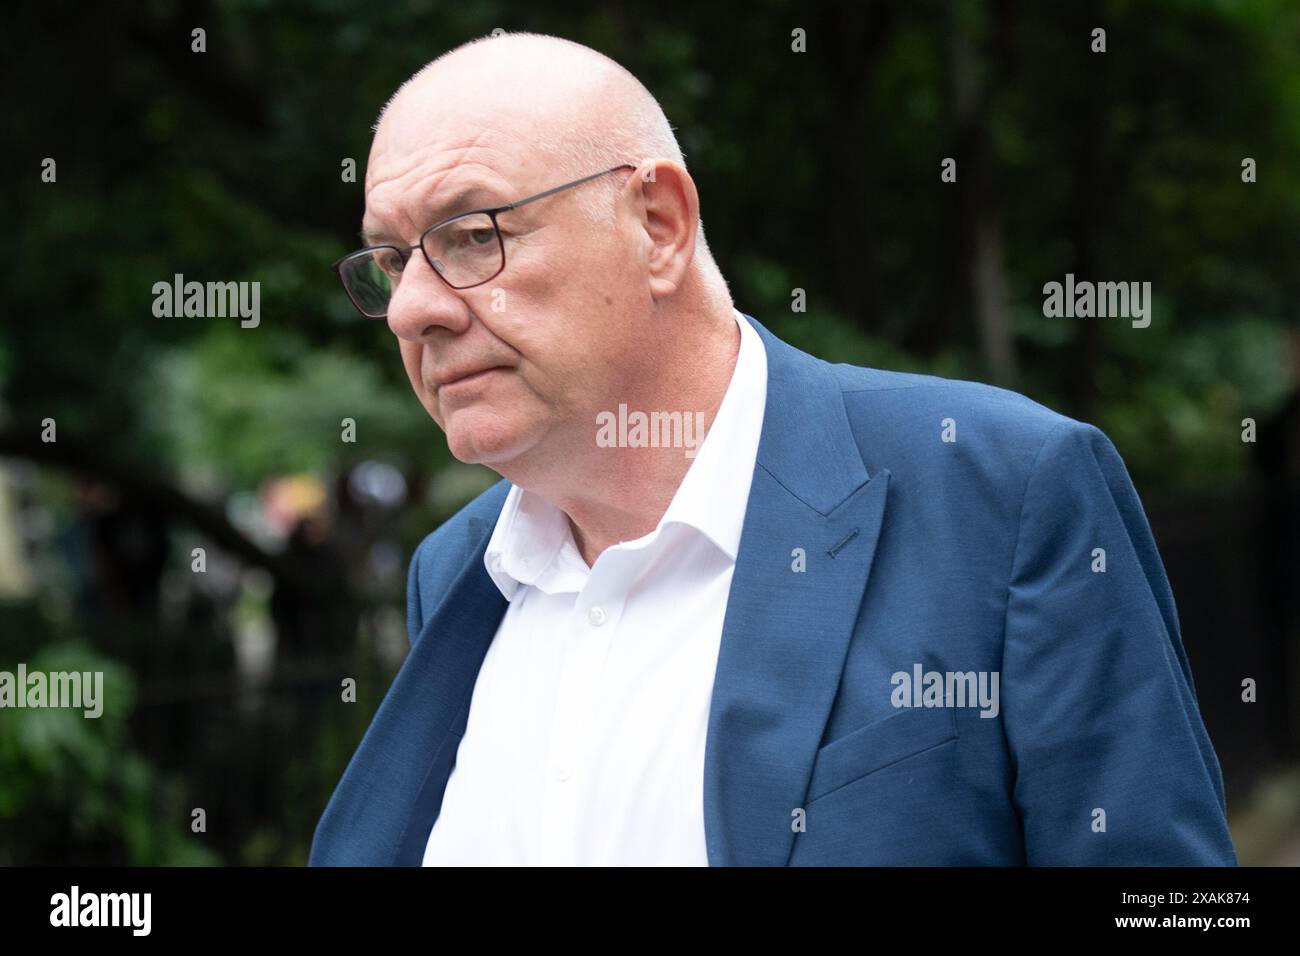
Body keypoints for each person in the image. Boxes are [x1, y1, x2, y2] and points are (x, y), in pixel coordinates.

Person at [310, 31, 1236, 866]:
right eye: (391, 263)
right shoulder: (460, 573)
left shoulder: (1004, 493)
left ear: (658, 225)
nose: (413, 309)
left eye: (472, 237)